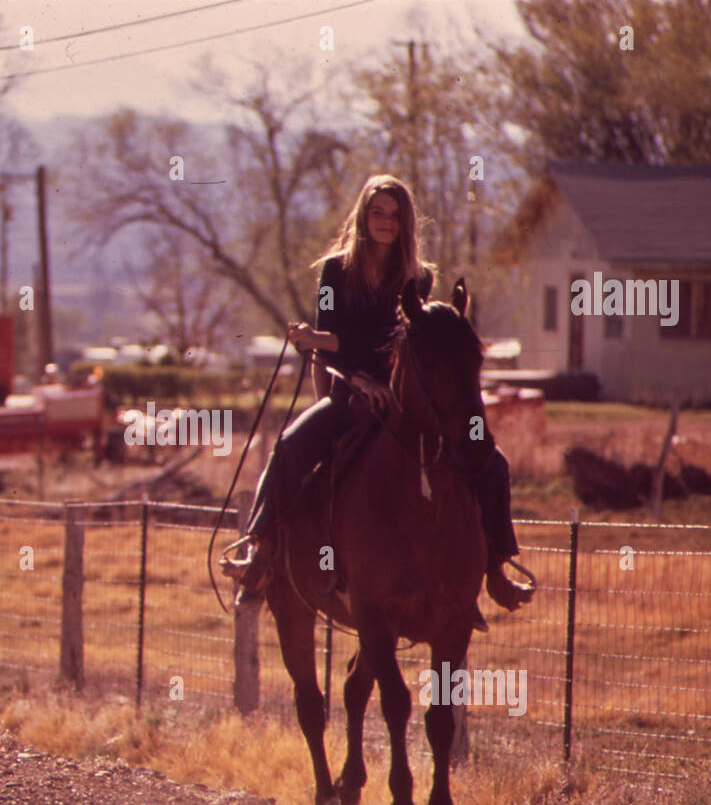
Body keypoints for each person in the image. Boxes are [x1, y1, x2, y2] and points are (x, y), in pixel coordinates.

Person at [221, 175, 534, 619]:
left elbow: (399, 344)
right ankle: (262, 552)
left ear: (406, 222)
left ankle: (497, 566)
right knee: (290, 446)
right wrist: (329, 351)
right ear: (363, 216)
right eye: (377, 212)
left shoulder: (419, 278)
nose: (386, 222)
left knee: (492, 460)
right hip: (349, 388)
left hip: (402, 394)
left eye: (394, 214)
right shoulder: (334, 271)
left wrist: (319, 340)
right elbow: (336, 333)